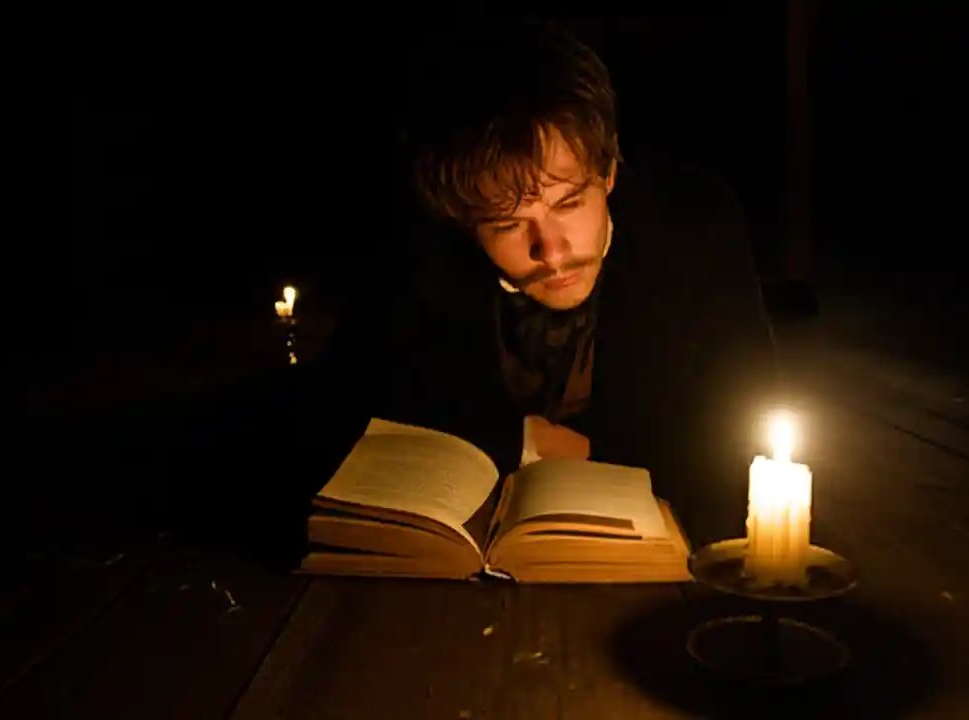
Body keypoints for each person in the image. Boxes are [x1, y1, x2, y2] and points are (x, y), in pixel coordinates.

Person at [311, 20, 780, 544]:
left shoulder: (694, 224)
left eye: (569, 203)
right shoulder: (416, 247)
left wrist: (574, 452)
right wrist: (524, 440)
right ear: (466, 220)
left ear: (608, 171)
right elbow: (341, 412)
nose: (551, 251)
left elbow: (744, 429)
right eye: (507, 224)